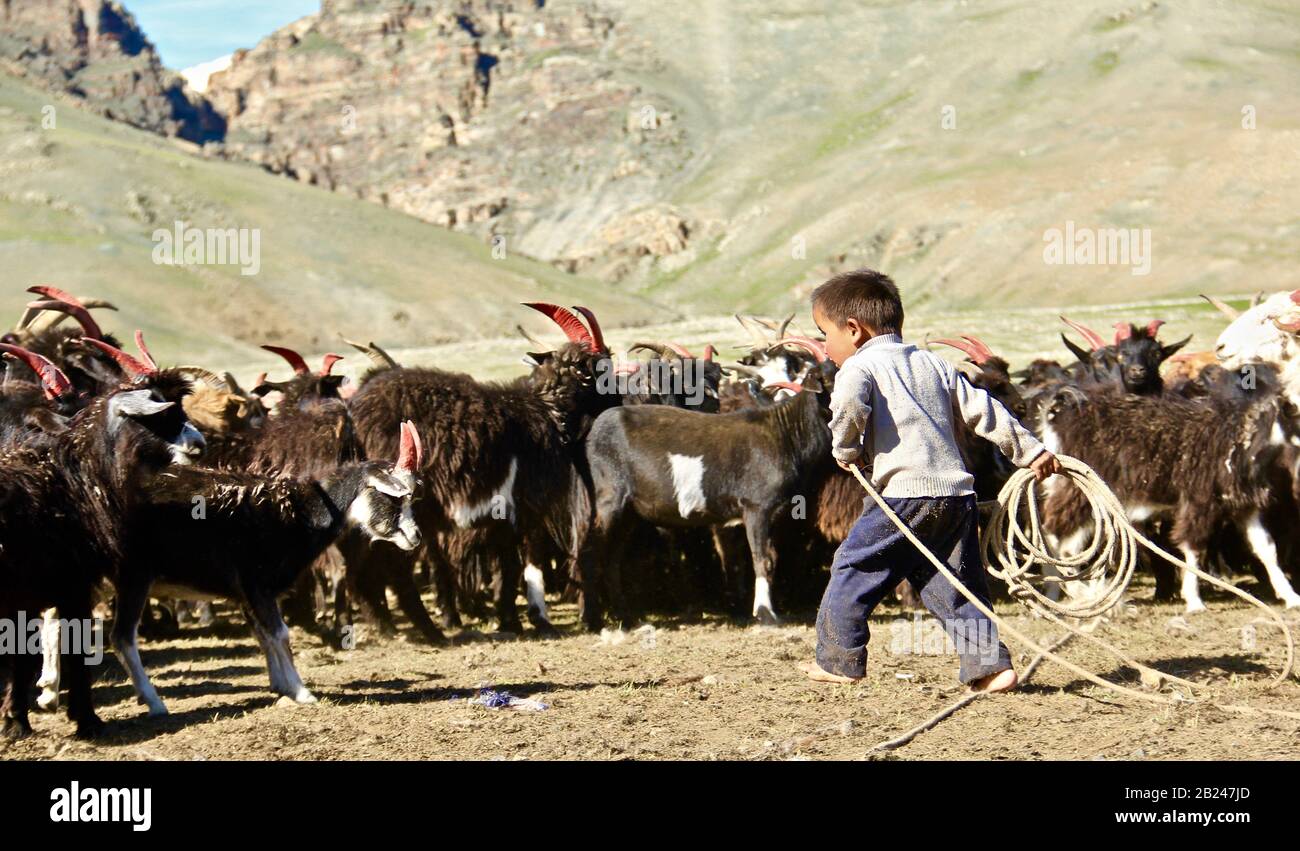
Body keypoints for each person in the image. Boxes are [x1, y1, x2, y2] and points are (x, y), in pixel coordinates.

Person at [797, 269, 1061, 693]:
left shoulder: (858, 367)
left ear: (854, 330)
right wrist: (1031, 452)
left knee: (854, 565)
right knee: (953, 583)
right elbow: (983, 411)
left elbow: (847, 408)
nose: (825, 348)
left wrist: (845, 450)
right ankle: (991, 667)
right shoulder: (931, 363)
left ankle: (838, 659)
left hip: (902, 495)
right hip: (955, 494)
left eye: (824, 334)